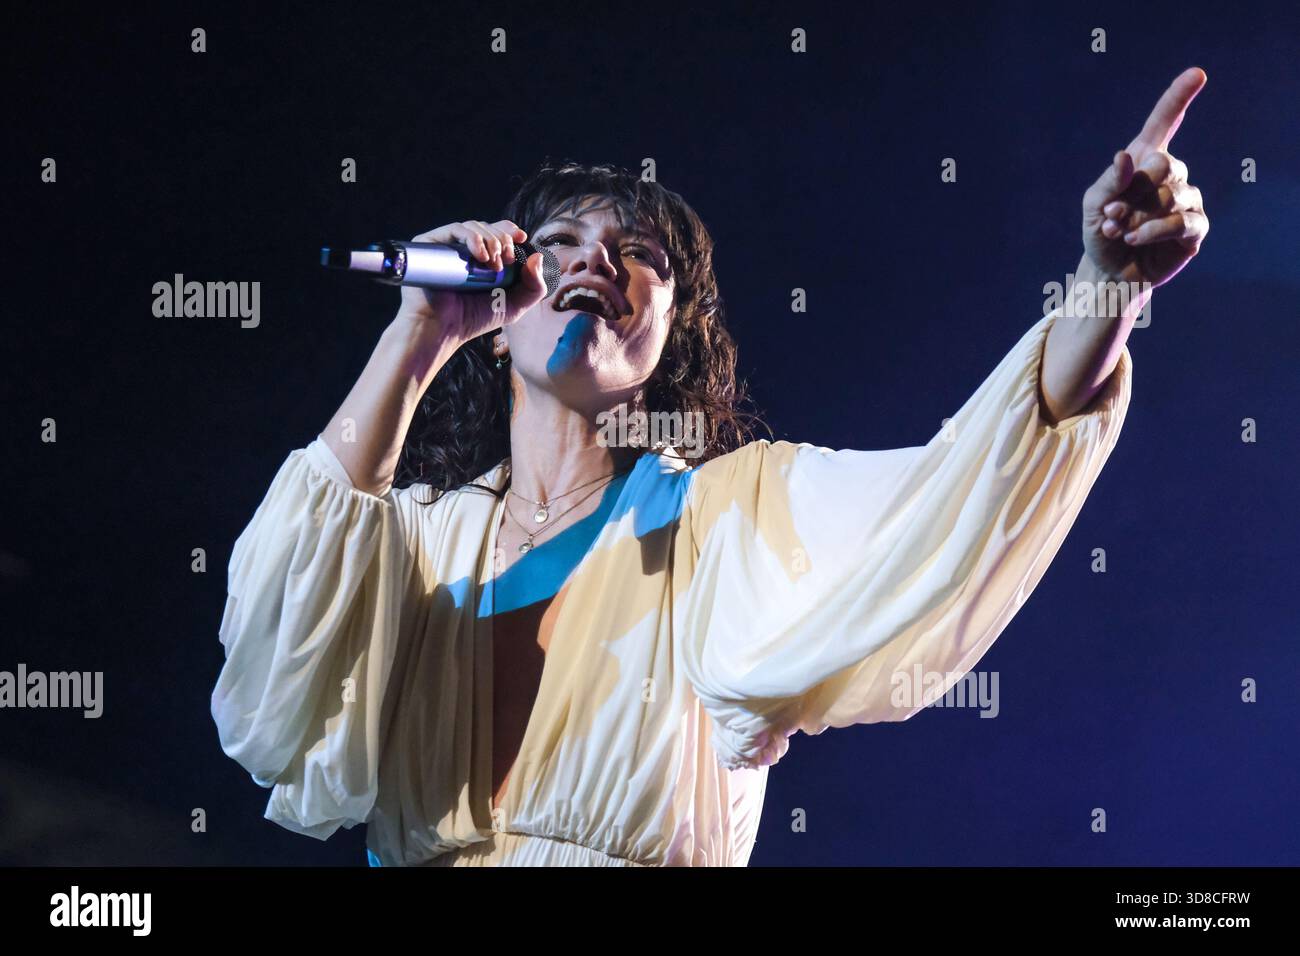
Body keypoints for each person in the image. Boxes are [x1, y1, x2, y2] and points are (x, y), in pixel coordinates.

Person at [211, 69, 1210, 866]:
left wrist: (1102, 287)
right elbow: (272, 660)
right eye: (558, 242)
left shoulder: (731, 518)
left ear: (668, 334)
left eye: (635, 251)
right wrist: (417, 333)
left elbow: (957, 483)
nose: (594, 257)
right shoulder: (419, 542)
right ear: (501, 315)